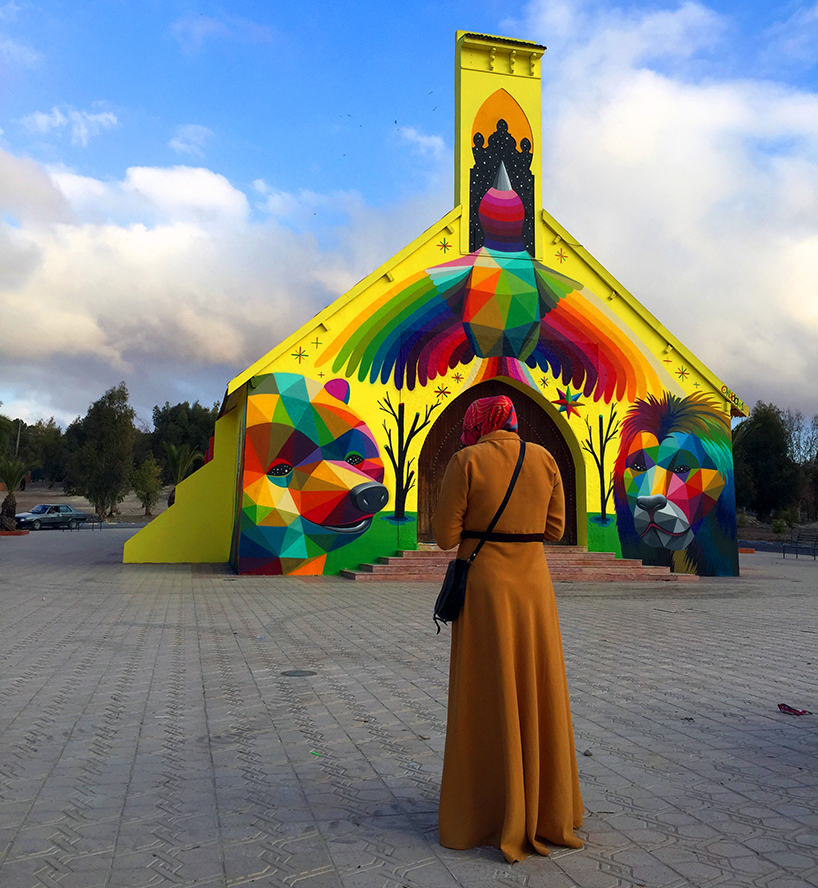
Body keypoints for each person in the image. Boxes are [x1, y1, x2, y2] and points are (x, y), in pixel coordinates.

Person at [432, 394, 583, 863]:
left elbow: (445, 537)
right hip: (534, 587)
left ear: (477, 423)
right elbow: (555, 530)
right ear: (513, 421)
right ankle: (545, 806)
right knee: (537, 687)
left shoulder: (466, 461)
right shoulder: (545, 459)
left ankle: (486, 809)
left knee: (485, 690)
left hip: (486, 590)